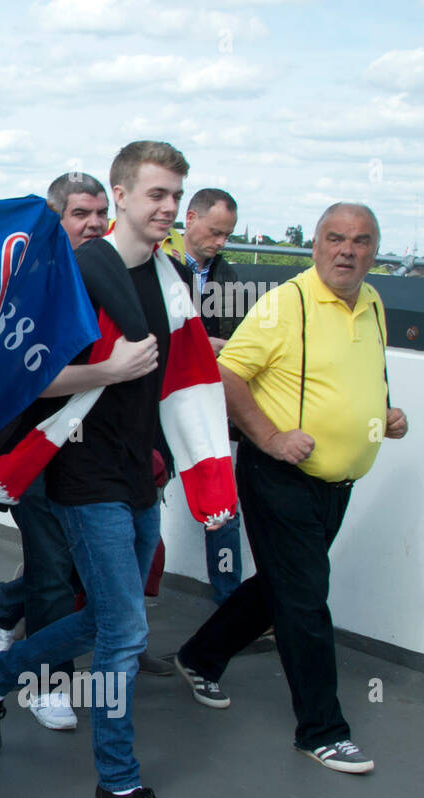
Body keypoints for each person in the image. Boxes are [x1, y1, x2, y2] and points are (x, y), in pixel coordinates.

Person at [0, 141, 234, 798]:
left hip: (138, 474)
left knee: (108, 615)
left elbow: (182, 379)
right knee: (125, 630)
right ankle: (119, 781)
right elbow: (18, 374)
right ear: (121, 196)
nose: (169, 208)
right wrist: (106, 371)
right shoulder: (77, 273)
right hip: (81, 477)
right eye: (156, 195)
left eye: (177, 195)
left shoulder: (173, 281)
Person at [176, 202, 407, 774]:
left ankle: (200, 656)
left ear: (375, 250)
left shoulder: (373, 302)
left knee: (282, 582)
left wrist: (382, 411)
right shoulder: (287, 303)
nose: (346, 250)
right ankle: (322, 731)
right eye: (334, 238)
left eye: (360, 240)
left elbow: (363, 372)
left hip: (338, 480)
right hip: (279, 476)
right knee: (305, 599)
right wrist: (272, 437)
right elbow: (226, 373)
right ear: (316, 246)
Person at [167, 188, 245, 605]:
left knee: (222, 505)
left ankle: (228, 600)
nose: (220, 242)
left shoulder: (228, 277)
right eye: (215, 231)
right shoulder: (157, 260)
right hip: (155, 395)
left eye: (228, 235)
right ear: (190, 218)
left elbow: (235, 344)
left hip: (203, 400)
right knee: (134, 501)